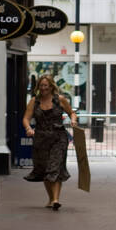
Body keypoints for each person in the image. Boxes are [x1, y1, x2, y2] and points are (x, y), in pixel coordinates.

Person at [23, 75, 78, 209]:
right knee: (44, 170)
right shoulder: (34, 101)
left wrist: (73, 120)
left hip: (58, 137)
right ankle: (51, 198)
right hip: (41, 139)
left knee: (56, 167)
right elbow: (26, 118)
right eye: (41, 85)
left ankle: (55, 200)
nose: (43, 88)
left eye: (46, 85)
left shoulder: (60, 100)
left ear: (51, 86)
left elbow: (72, 112)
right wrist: (28, 128)